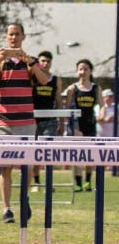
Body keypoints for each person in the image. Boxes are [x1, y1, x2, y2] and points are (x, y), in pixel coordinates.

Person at [0, 22, 49, 223]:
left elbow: (44, 81)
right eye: (10, 34)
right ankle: (7, 208)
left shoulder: (31, 61)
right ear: (6, 37)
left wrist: (30, 61)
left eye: (17, 34)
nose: (14, 38)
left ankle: (24, 198)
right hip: (3, 121)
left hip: (26, 120)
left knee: (26, 165)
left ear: (23, 37)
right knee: (5, 167)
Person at [64, 59, 103, 191]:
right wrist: (70, 126)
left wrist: (101, 114)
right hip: (77, 126)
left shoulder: (96, 88)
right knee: (78, 155)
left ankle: (88, 181)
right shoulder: (72, 89)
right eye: (80, 69)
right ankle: (79, 183)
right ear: (77, 71)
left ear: (90, 71)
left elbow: (102, 105)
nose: (83, 72)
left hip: (90, 124)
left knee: (90, 155)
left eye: (86, 69)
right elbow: (67, 108)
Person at [30, 50, 63, 190]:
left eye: (48, 61)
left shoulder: (56, 80)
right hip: (34, 120)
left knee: (48, 152)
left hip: (50, 119)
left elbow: (58, 99)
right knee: (36, 152)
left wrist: (61, 119)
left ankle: (49, 182)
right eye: (43, 61)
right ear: (39, 63)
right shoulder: (33, 78)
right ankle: (36, 182)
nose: (45, 63)